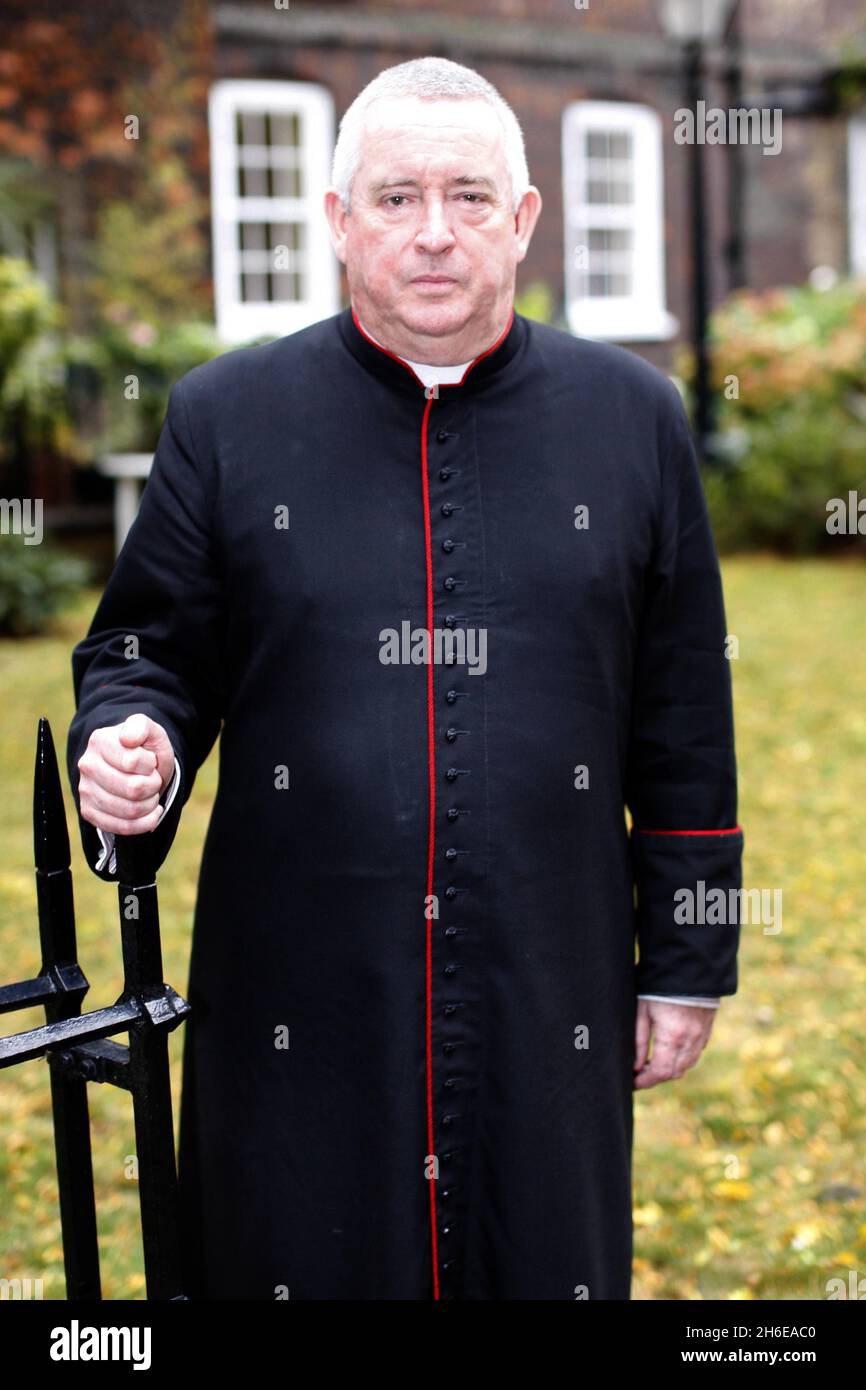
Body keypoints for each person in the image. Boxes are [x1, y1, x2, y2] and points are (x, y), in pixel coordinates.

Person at [67, 56, 743, 1301]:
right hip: (298, 974)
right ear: (337, 220)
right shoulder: (227, 417)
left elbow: (683, 712)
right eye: (394, 198)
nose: (433, 233)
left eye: (469, 196)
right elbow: (146, 654)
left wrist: (687, 953)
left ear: (524, 218)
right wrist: (130, 742)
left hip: (550, 965)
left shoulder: (634, 418)